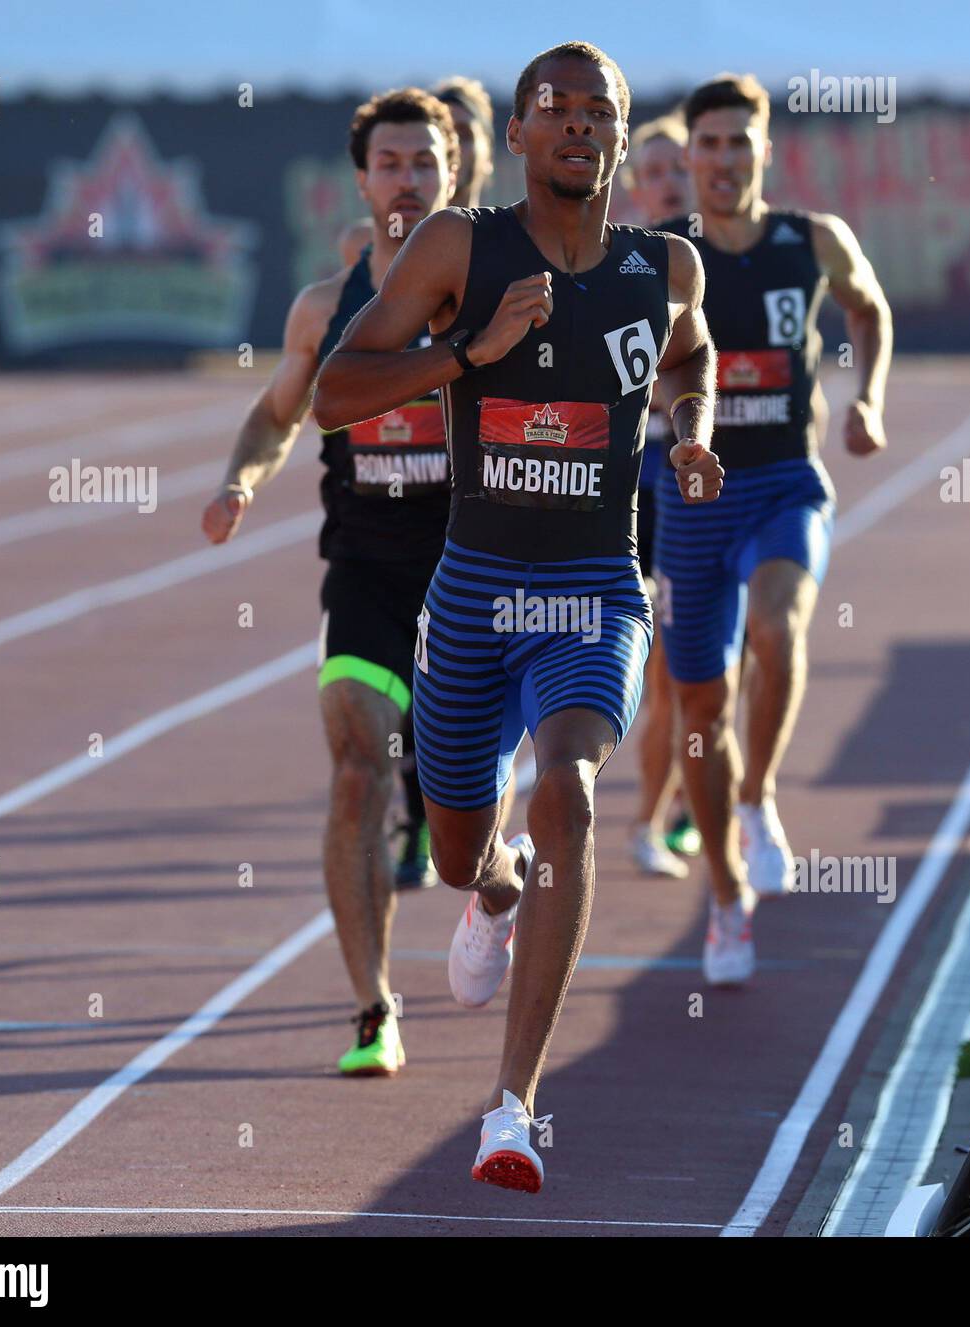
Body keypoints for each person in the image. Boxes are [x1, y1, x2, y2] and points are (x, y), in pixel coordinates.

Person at [314, 41, 722, 1192]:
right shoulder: (459, 245)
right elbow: (335, 394)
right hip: (475, 594)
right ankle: (493, 888)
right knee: (452, 852)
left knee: (572, 791)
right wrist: (465, 355)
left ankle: (512, 1107)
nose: (581, 127)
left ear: (623, 138)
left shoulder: (666, 267)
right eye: (559, 109)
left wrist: (689, 431)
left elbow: (690, 362)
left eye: (603, 111)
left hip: (594, 592)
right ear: (522, 134)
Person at [202, 88, 458, 1074]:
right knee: (355, 764)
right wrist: (237, 481)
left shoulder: (483, 297)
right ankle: (372, 1007)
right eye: (389, 164)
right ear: (361, 180)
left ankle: (478, 851)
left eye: (422, 162)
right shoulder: (323, 307)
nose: (406, 180)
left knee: (469, 818)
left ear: (452, 171)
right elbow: (274, 416)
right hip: (365, 572)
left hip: (475, 576)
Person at [657, 73, 892, 984]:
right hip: (693, 502)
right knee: (700, 713)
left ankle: (758, 797)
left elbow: (870, 309)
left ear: (766, 149)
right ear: (690, 158)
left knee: (779, 624)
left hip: (788, 480)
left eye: (737, 142)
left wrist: (867, 397)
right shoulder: (661, 255)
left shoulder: (812, 241)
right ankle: (723, 894)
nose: (722, 160)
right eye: (707, 145)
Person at [621, 113, 698, 879]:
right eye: (656, 169)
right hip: (640, 477)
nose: (671, 178)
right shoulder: (623, 263)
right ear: (635, 186)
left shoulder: (728, 259)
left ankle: (683, 805)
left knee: (711, 666)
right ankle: (651, 816)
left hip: (722, 480)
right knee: (669, 662)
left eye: (681, 164)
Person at [339, 77, 495, 269]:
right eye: (447, 134)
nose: (455, 147)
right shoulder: (364, 242)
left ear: (488, 151)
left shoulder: (506, 246)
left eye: (463, 134)